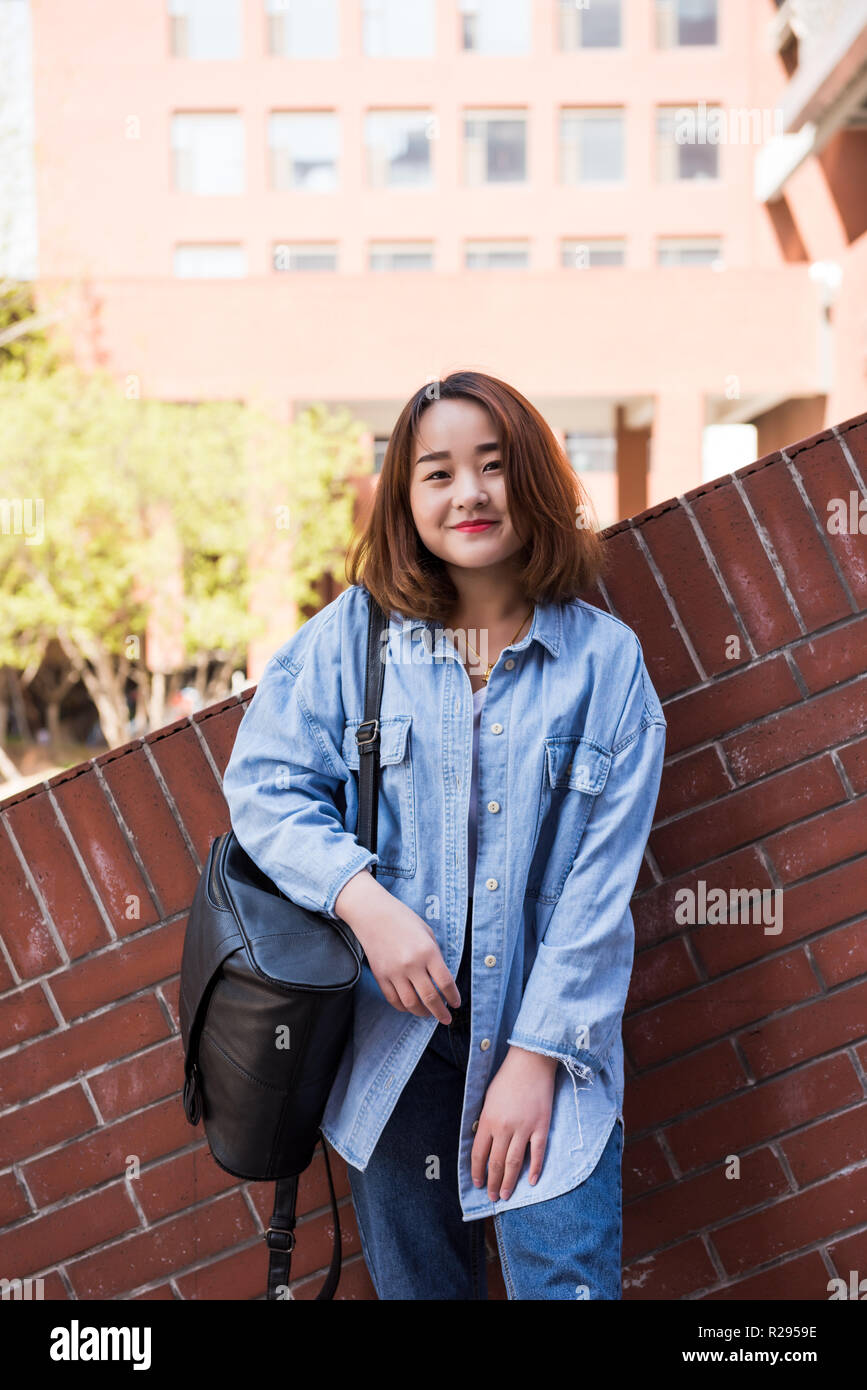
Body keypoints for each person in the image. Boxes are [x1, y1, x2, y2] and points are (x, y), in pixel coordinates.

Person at [222, 370, 667, 1300]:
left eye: (493, 466)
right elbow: (262, 786)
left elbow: (598, 889)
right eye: (437, 472)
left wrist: (535, 1059)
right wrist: (363, 901)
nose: (468, 492)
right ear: (405, 498)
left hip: (552, 1050)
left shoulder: (604, 665)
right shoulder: (353, 641)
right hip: (396, 1050)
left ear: (534, 480)